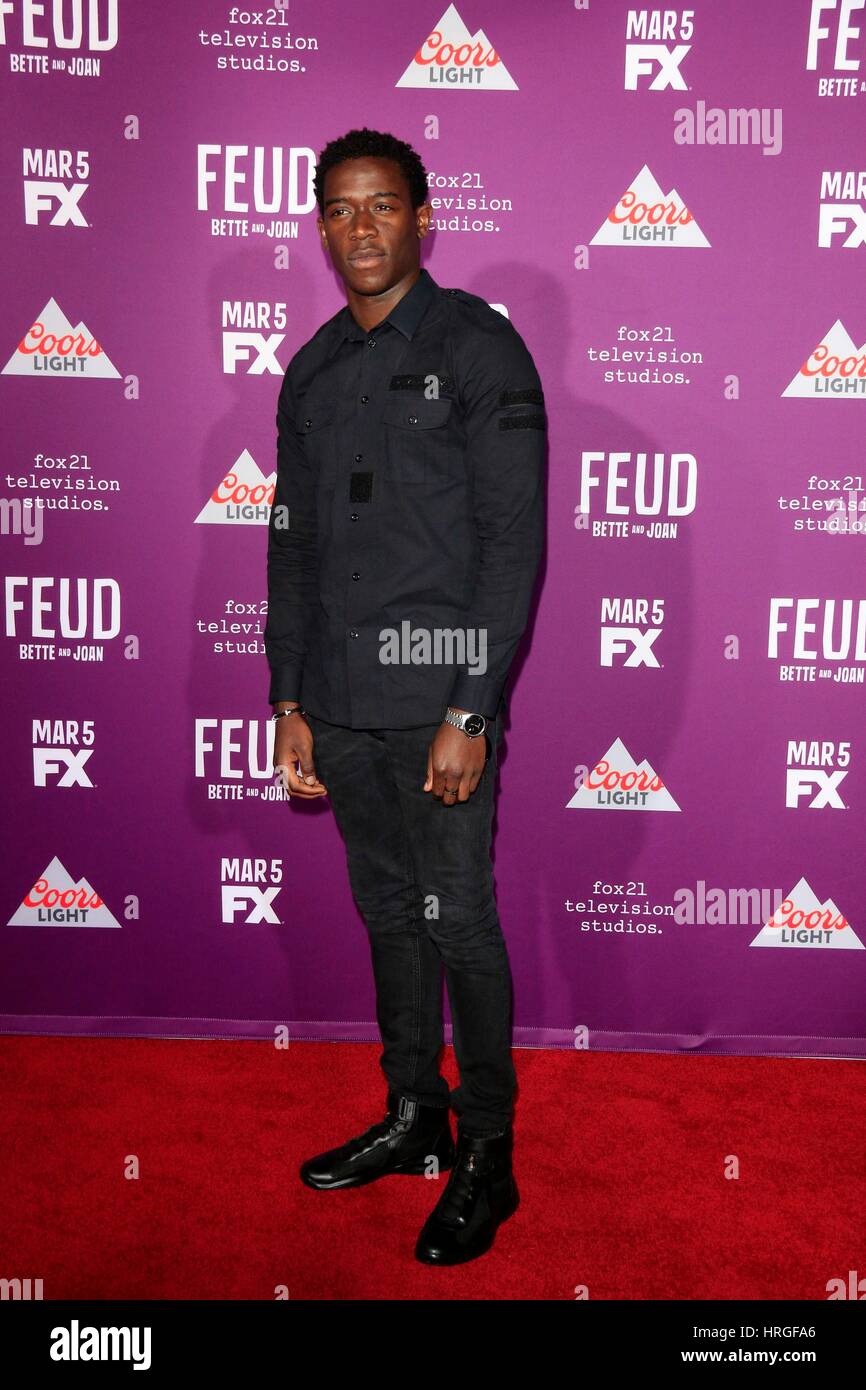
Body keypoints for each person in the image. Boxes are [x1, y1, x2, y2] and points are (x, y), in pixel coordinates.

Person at [264, 127, 546, 1266]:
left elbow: (509, 544)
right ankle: (412, 1113)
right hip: (337, 702)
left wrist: (471, 708)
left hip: (439, 708)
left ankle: (486, 1149)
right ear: (320, 227)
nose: (361, 226)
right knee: (388, 914)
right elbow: (290, 546)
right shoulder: (313, 367)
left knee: (459, 919)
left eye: (382, 204)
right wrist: (287, 695)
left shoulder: (481, 352)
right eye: (338, 208)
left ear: (424, 218)